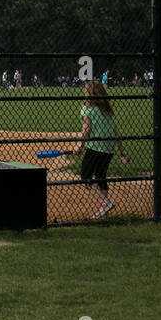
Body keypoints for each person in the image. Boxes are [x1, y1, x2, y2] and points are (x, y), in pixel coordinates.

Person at [68, 80, 129, 218]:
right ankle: (104, 210)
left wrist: (79, 146)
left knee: (85, 175)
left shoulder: (86, 109)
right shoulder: (107, 109)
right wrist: (121, 151)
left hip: (95, 147)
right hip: (109, 149)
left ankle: (106, 202)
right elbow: (114, 131)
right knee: (101, 176)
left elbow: (87, 129)